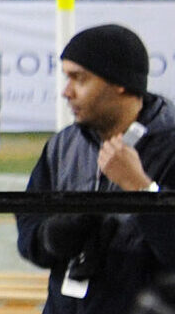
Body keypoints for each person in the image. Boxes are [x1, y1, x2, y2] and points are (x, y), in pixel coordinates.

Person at [18, 24, 175, 313]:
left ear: (119, 82)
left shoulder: (170, 146)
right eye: (67, 77)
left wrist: (142, 189)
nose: (67, 92)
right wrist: (51, 236)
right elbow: (28, 229)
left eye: (80, 78)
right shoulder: (63, 146)